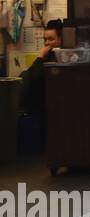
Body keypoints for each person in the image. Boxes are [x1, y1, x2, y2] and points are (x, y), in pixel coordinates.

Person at [17, 22, 62, 154]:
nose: (47, 43)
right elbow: (30, 74)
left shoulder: (56, 57)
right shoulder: (46, 56)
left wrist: (40, 57)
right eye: (45, 39)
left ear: (60, 39)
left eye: (51, 39)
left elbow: (37, 78)